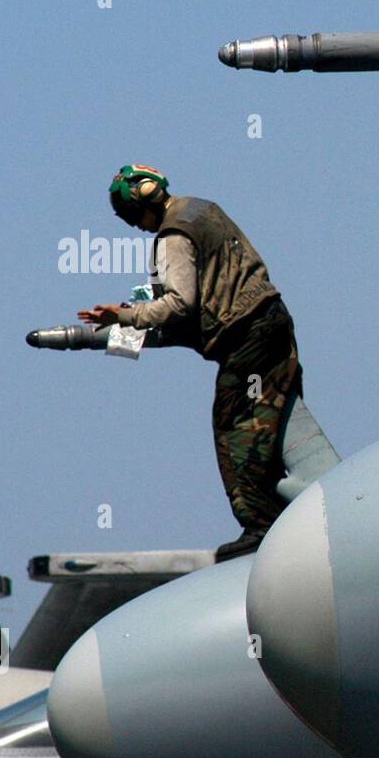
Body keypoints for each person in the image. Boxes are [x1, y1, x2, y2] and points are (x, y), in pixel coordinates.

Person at [79, 165, 303, 561]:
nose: (138, 228)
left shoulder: (173, 235)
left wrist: (125, 316)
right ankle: (296, 518)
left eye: (134, 218)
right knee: (277, 426)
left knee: (235, 428)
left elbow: (181, 303)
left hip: (246, 339)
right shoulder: (202, 209)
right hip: (274, 323)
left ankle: (262, 527)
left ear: (141, 206)